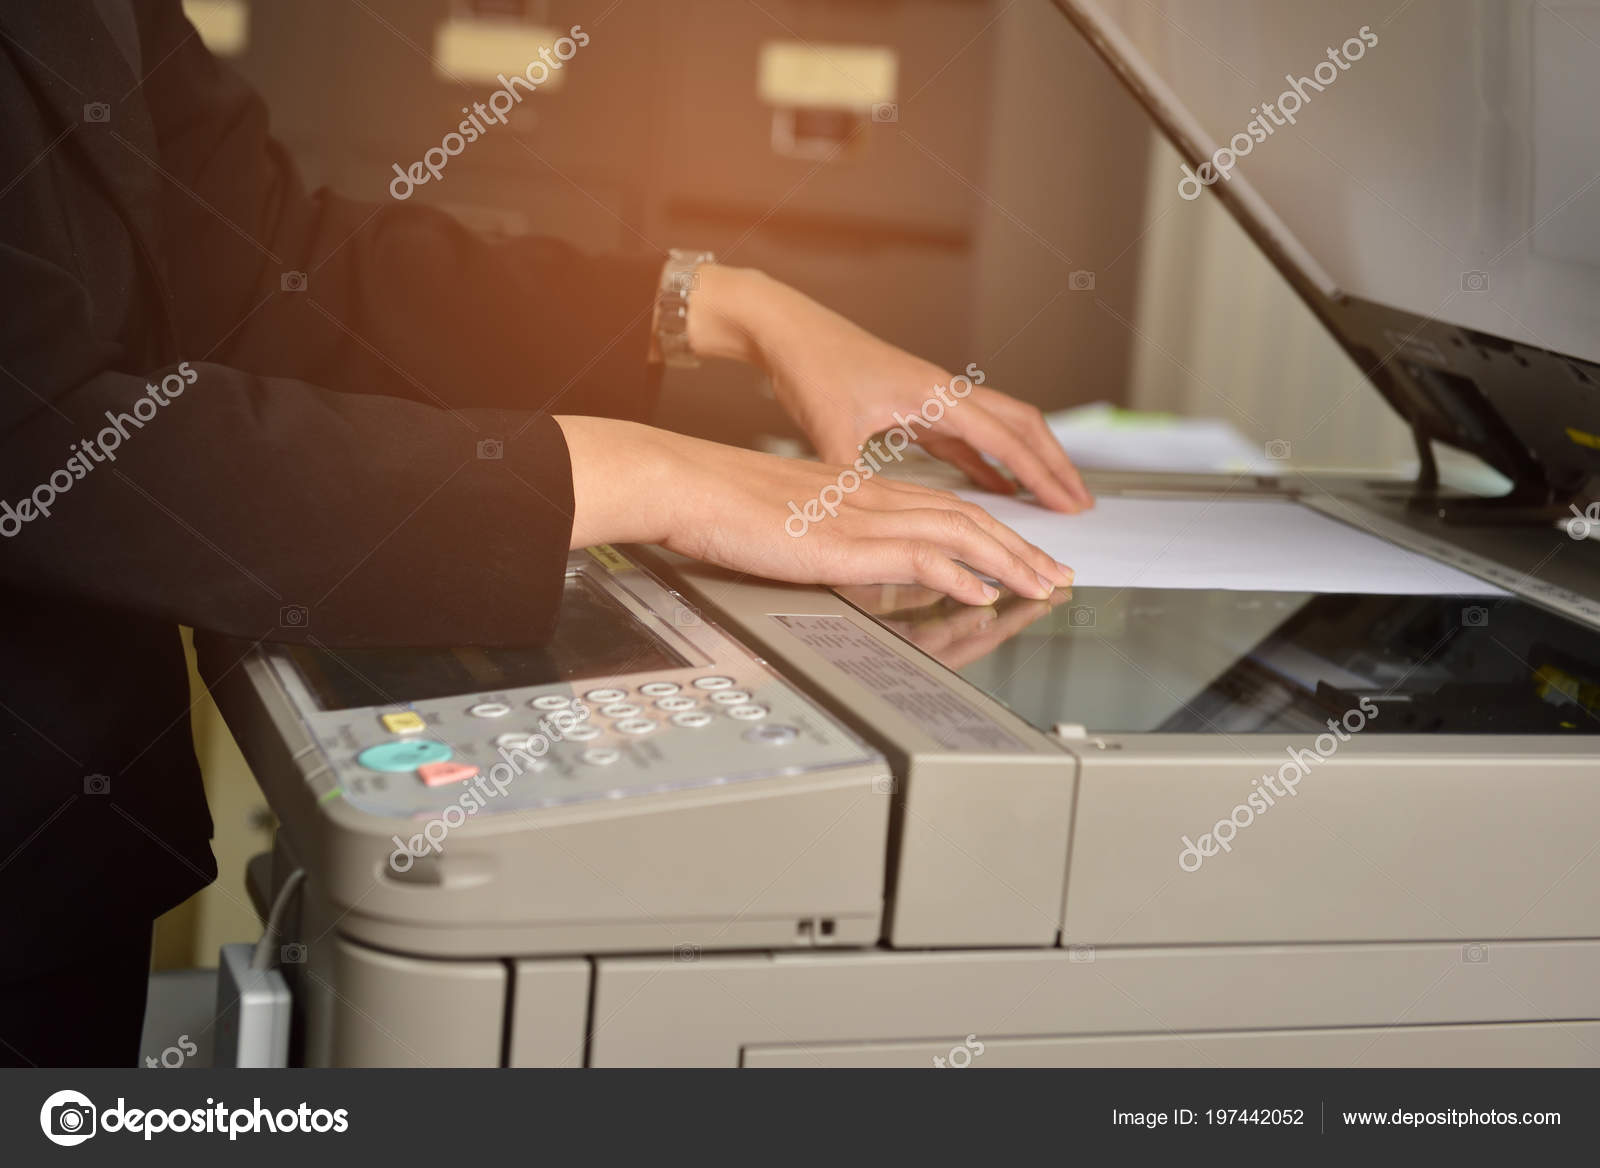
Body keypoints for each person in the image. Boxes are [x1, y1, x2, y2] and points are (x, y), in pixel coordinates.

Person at [0, 1, 1088, 1066]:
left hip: (61, 884)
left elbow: (264, 265)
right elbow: (40, 435)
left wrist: (725, 305)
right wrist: (638, 474)